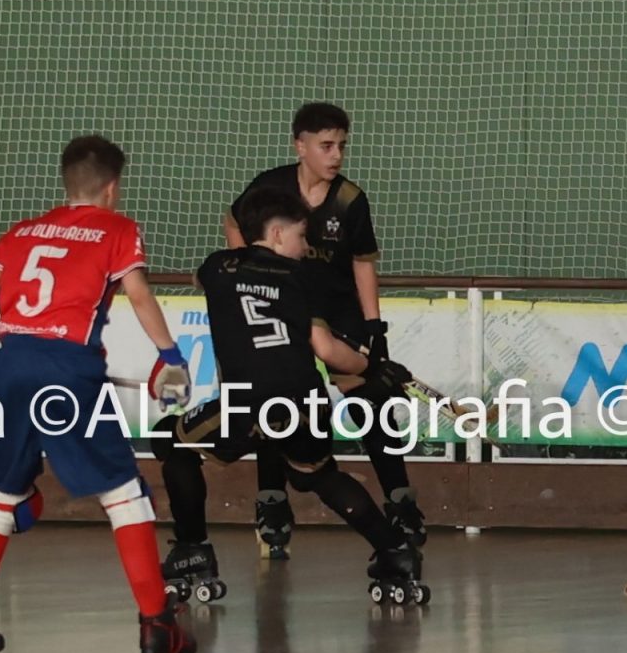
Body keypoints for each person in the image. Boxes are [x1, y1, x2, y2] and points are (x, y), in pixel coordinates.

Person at [0, 135, 194, 653]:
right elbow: (140, 295)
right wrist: (170, 357)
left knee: (0, 496)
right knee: (124, 493)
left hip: (9, 367)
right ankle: (157, 626)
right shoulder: (117, 229)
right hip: (68, 370)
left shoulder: (22, 231)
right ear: (112, 186)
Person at [156, 187, 428, 609]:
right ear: (279, 234)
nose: (305, 249)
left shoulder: (217, 267)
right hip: (304, 401)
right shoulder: (299, 280)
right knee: (317, 475)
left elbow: (204, 278)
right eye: (302, 238)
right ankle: (395, 550)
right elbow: (325, 349)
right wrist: (373, 367)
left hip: (249, 401)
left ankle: (192, 547)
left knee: (171, 442)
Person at [227, 103, 423, 557]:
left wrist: (373, 327)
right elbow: (233, 220)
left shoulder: (350, 200)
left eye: (341, 146)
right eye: (326, 146)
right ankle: (272, 500)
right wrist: (245, 269)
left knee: (369, 397)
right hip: (281, 308)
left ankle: (399, 499)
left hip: (336, 308)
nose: (336, 156)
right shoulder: (270, 187)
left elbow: (362, 263)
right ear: (301, 145)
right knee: (277, 400)